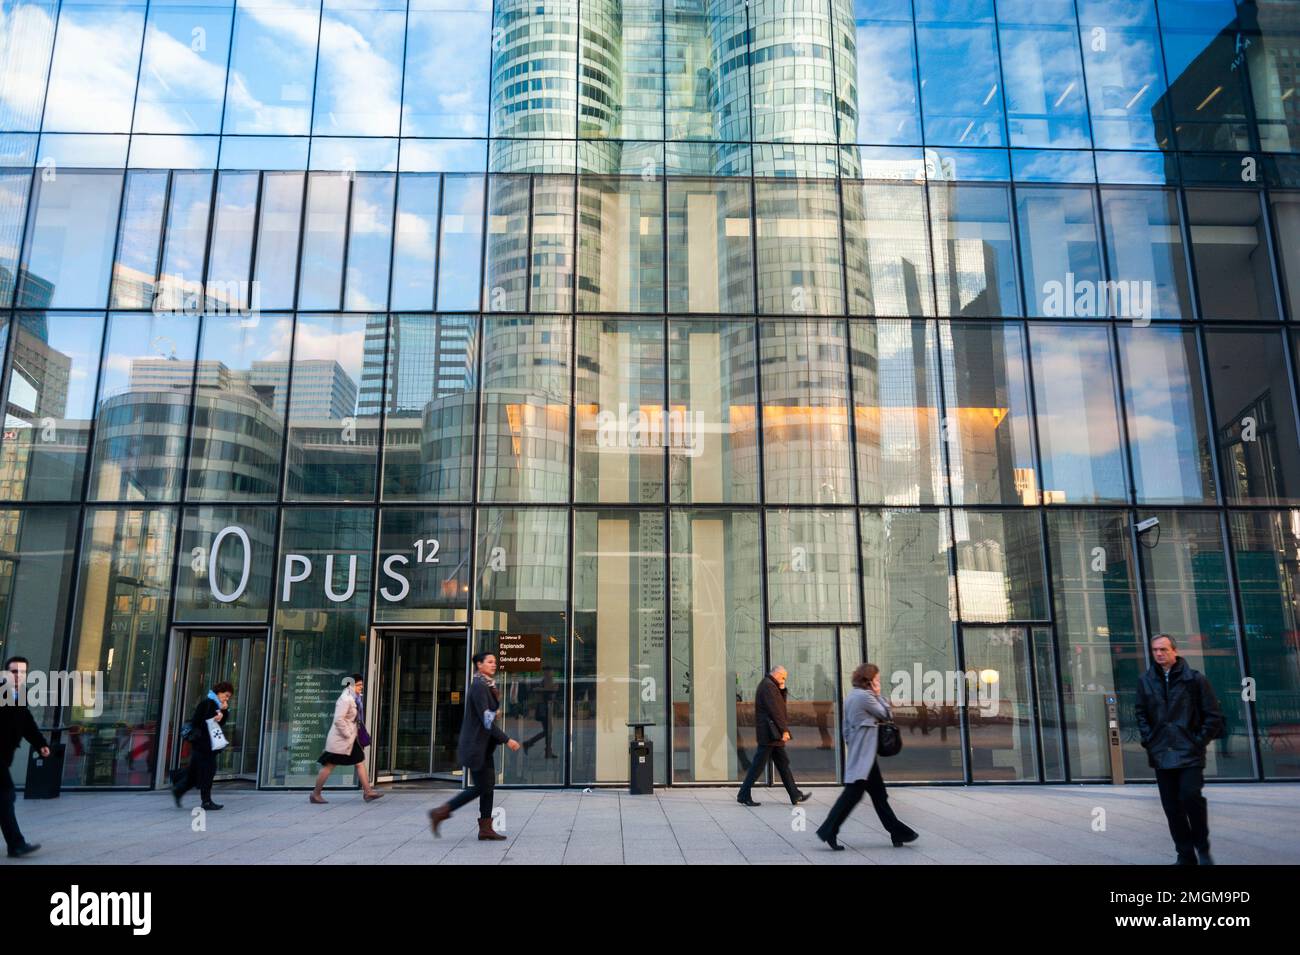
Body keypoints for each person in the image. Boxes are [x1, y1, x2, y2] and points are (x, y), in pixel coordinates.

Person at [1135, 634, 1225, 865]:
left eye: (1163, 649)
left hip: (1189, 751)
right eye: (1155, 650)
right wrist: (1149, 739)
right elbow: (1141, 713)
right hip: (1161, 752)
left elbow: (1213, 716)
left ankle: (1202, 847)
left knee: (1190, 796)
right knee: (1172, 807)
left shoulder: (1194, 679)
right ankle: (1185, 854)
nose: (1158, 654)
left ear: (1174, 651)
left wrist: (1198, 741)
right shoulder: (1146, 681)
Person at [816, 663, 918, 851]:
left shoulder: (851, 696)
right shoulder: (865, 697)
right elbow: (886, 714)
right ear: (869, 681)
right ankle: (829, 830)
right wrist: (879, 695)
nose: (879, 683)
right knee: (853, 794)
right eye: (877, 680)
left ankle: (897, 832)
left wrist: (854, 743)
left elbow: (846, 728)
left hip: (863, 753)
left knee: (879, 795)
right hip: (865, 754)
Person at [429, 651, 521, 840]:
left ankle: (485, 828)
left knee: (488, 785)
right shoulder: (479, 686)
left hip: (484, 746)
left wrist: (495, 711)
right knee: (481, 786)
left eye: (495, 662)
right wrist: (507, 739)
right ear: (479, 665)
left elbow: (487, 714)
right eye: (489, 662)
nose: (494, 665)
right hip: (475, 746)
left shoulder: (487, 685)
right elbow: (486, 720)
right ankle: (441, 812)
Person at [736, 665, 811, 807]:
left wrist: (782, 689)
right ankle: (743, 794)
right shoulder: (768, 686)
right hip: (770, 734)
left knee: (783, 765)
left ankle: (795, 794)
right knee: (758, 766)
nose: (784, 680)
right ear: (776, 674)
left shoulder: (770, 685)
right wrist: (784, 730)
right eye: (783, 677)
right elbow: (775, 710)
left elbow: (780, 705)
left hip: (772, 734)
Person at [0, 656, 51, 858]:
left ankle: (15, 844)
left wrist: (40, 744)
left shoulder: (20, 693)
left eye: (22, 672)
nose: (18, 675)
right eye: (14, 671)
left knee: (3, 800)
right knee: (6, 796)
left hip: (4, 756)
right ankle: (16, 844)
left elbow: (26, 722)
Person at [311, 675, 383, 804]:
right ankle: (315, 794)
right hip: (341, 740)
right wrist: (349, 733)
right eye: (359, 684)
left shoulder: (354, 698)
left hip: (349, 739)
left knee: (360, 761)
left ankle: (368, 792)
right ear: (351, 685)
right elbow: (338, 719)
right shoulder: (345, 699)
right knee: (329, 765)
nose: (361, 687)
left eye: (362, 684)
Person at [172, 680, 233, 811]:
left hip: (208, 746)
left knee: (194, 774)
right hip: (202, 745)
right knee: (207, 772)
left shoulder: (217, 705)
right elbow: (198, 722)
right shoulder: (207, 703)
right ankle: (206, 801)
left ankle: (178, 790)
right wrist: (214, 717)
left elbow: (220, 724)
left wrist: (224, 712)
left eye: (228, 697)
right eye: (226, 695)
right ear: (219, 692)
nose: (227, 698)